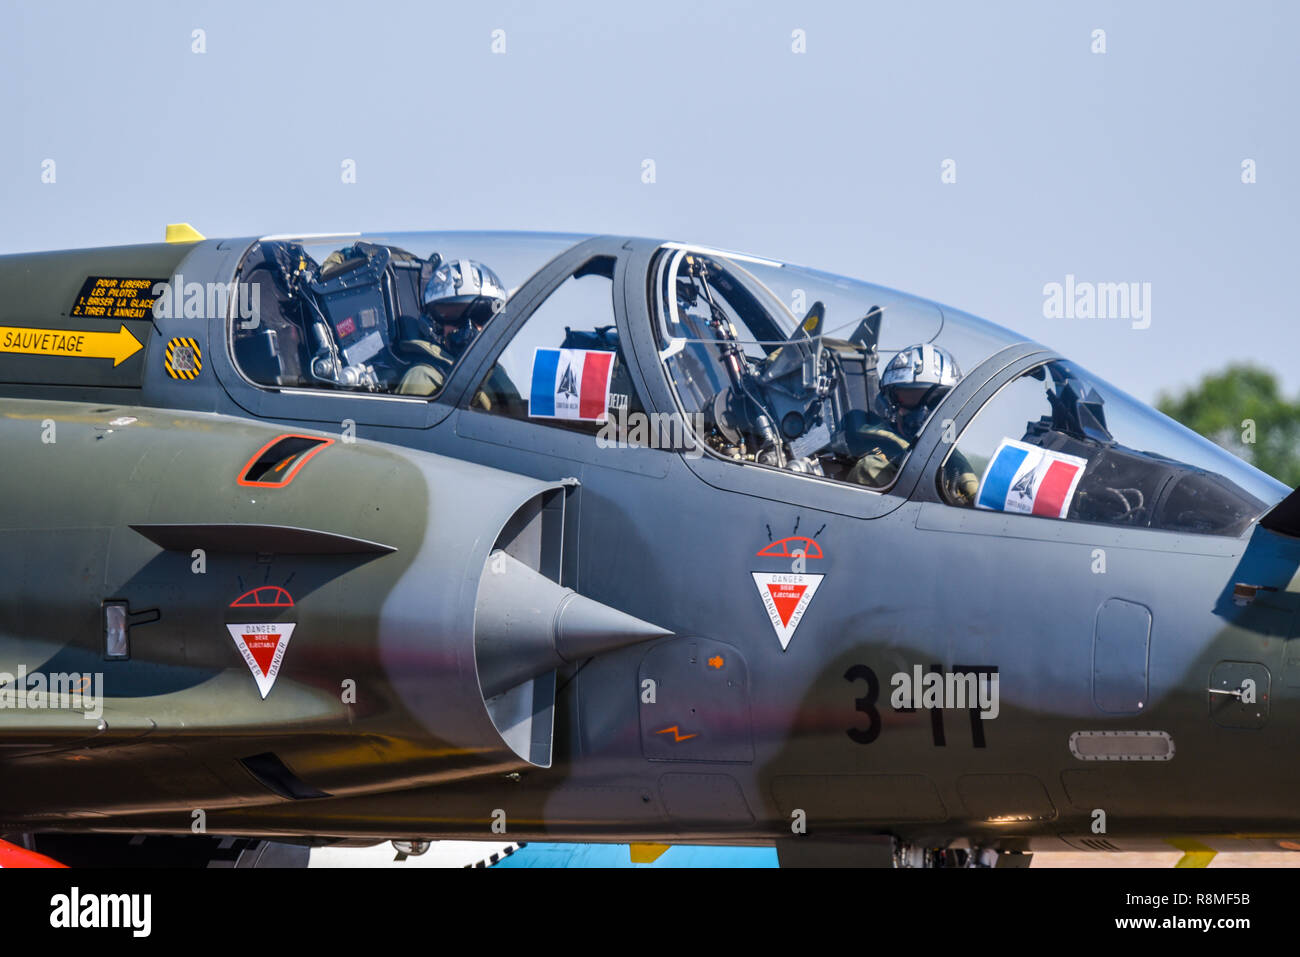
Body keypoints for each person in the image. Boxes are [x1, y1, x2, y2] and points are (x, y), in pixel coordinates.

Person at [846, 343, 979, 503]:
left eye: (937, 401)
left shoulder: (952, 464)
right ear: (889, 402)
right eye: (912, 397)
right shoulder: (874, 468)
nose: (924, 411)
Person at [397, 258, 509, 398]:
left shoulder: (494, 372)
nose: (469, 327)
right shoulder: (425, 377)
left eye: (481, 315)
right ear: (434, 323)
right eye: (454, 315)